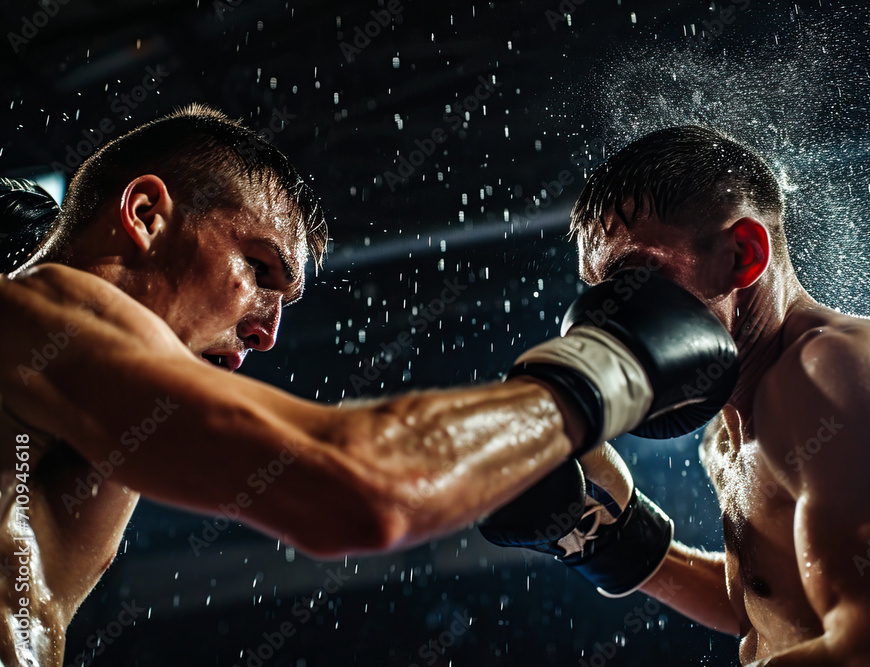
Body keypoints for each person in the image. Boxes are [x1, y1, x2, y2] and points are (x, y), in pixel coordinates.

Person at [0, 106, 738, 666]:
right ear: (146, 213)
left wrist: (608, 539)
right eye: (259, 268)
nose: (267, 335)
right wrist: (606, 369)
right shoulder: (28, 315)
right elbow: (356, 487)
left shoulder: (90, 434)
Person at [484, 126, 870, 666]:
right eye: (603, 292)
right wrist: (610, 538)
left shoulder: (836, 373)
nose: (614, 313)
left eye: (635, 276)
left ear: (744, 254)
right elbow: (767, 611)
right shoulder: (725, 431)